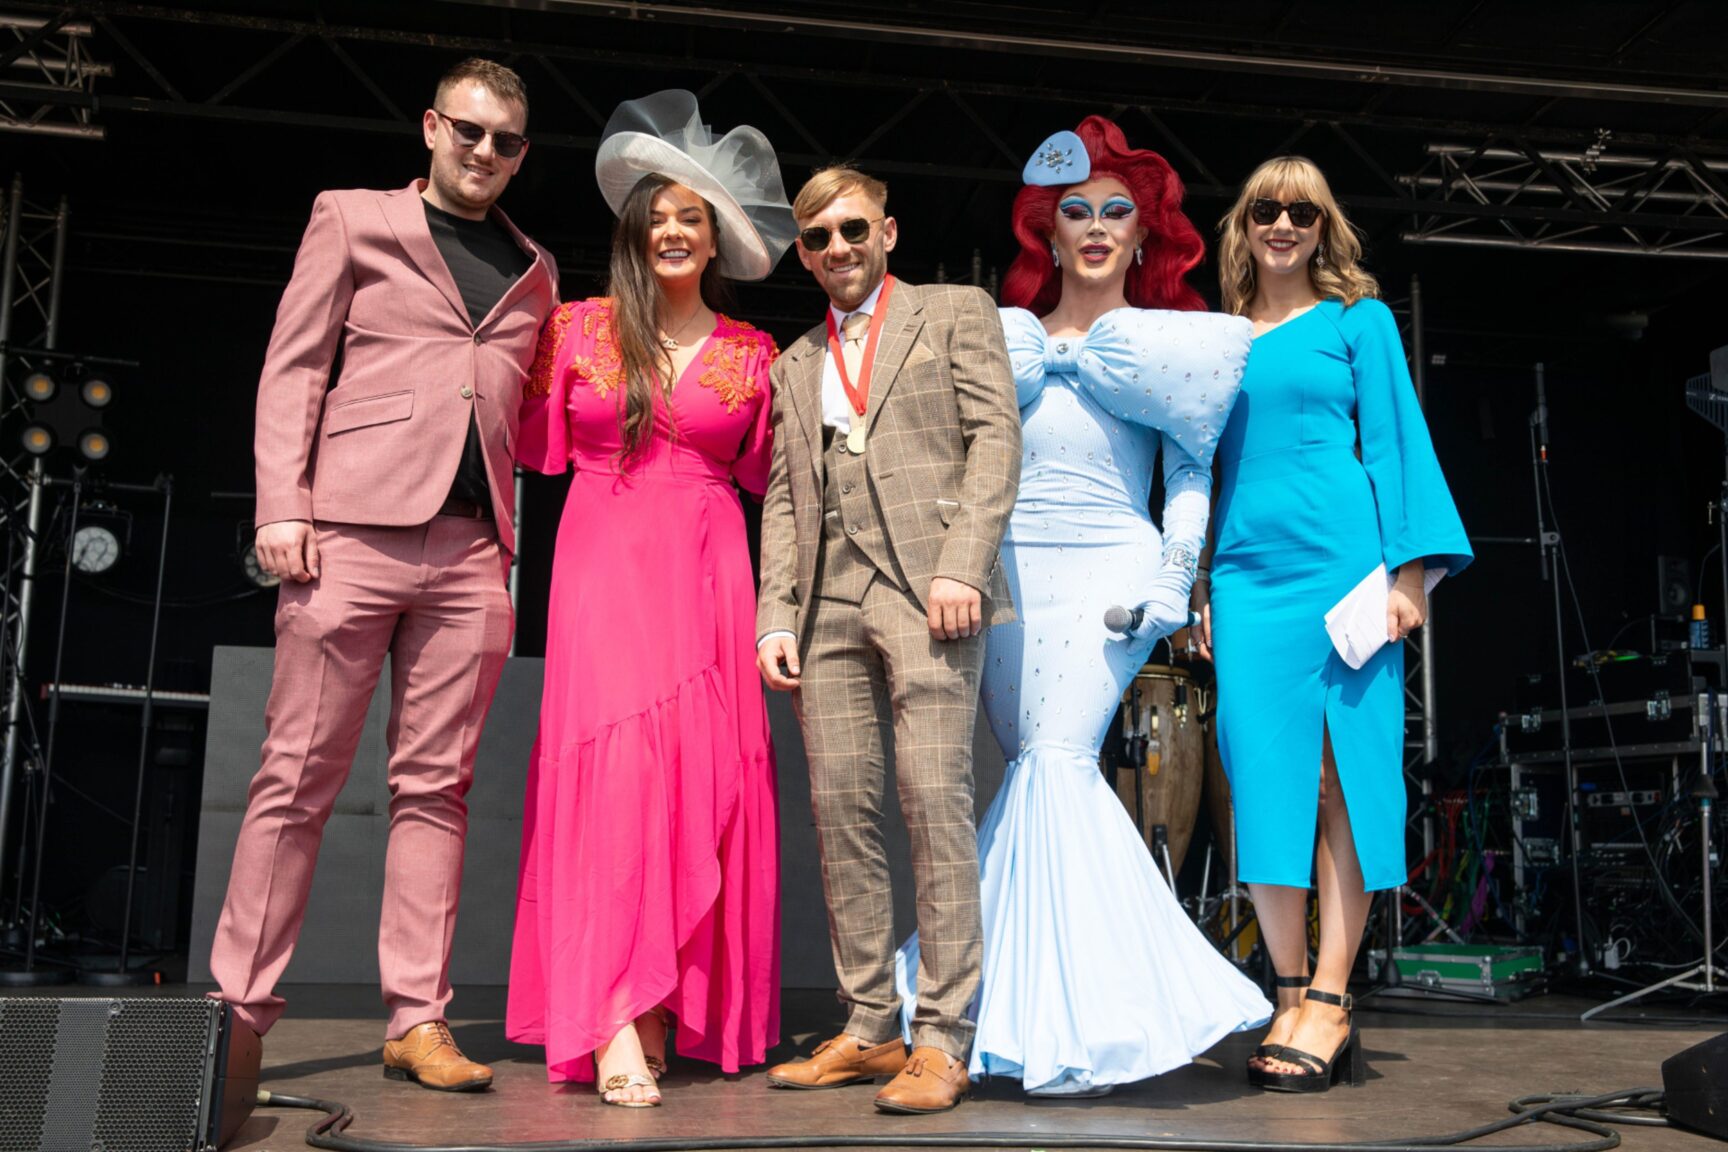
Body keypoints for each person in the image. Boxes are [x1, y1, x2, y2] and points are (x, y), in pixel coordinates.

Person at [895, 117, 1272, 1097]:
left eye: (1118, 211)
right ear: (1047, 231)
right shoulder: (1001, 339)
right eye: (1077, 211)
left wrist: (1170, 578)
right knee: (1028, 770)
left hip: (1111, 564)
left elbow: (1190, 476)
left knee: (1060, 761)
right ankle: (1015, 1007)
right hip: (1012, 569)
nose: (1097, 227)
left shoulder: (1166, 346)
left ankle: (1058, 1014)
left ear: (1147, 235)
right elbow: (958, 460)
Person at [209, 58, 557, 1091]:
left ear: (522, 154)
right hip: (349, 532)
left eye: (504, 140)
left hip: (470, 550)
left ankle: (418, 1019)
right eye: (468, 130)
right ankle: (236, 1015)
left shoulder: (536, 267)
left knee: (437, 790)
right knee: (295, 777)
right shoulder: (354, 220)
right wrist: (282, 502)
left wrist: (506, 550)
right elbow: (296, 363)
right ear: (430, 128)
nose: (484, 151)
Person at [506, 90, 795, 1108]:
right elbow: (517, 439)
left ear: (716, 239)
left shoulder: (757, 355)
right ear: (636, 230)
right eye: (658, 214)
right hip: (603, 564)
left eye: (693, 217)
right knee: (618, 778)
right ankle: (617, 1015)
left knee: (701, 780)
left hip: (710, 570)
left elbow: (788, 491)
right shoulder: (576, 327)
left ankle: (668, 999)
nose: (673, 228)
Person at [1196, 155, 1472, 1092]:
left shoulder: (1362, 320)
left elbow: (1397, 439)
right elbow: (1198, 467)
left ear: (1323, 227)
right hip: (1244, 573)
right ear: (1244, 223)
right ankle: (1284, 990)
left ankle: (1333, 997)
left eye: (1301, 212)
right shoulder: (1218, 338)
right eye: (1266, 209)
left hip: (1342, 566)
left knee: (1340, 776)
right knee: (1260, 773)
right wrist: (1194, 579)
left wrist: (1410, 575)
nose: (1282, 224)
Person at [756, 166, 1021, 1115]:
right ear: (803, 251)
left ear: (889, 231)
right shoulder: (792, 363)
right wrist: (776, 612)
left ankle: (945, 1037)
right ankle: (870, 1024)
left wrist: (964, 563)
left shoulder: (954, 311)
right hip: (828, 601)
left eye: (854, 229)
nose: (839, 248)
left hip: (928, 589)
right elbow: (787, 496)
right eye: (819, 237)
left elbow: (996, 441)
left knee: (932, 803)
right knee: (842, 812)